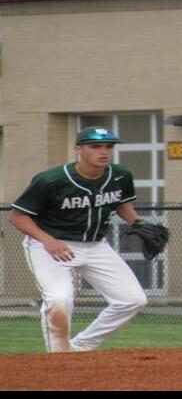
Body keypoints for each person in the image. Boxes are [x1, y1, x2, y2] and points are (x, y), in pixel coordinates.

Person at [7, 126, 148, 352]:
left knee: (133, 299)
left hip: (96, 246)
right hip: (51, 245)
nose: (103, 152)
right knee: (59, 299)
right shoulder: (51, 180)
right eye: (95, 146)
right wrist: (48, 240)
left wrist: (138, 223)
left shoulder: (120, 175)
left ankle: (81, 346)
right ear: (78, 149)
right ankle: (60, 356)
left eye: (108, 147)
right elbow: (17, 217)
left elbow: (122, 203)